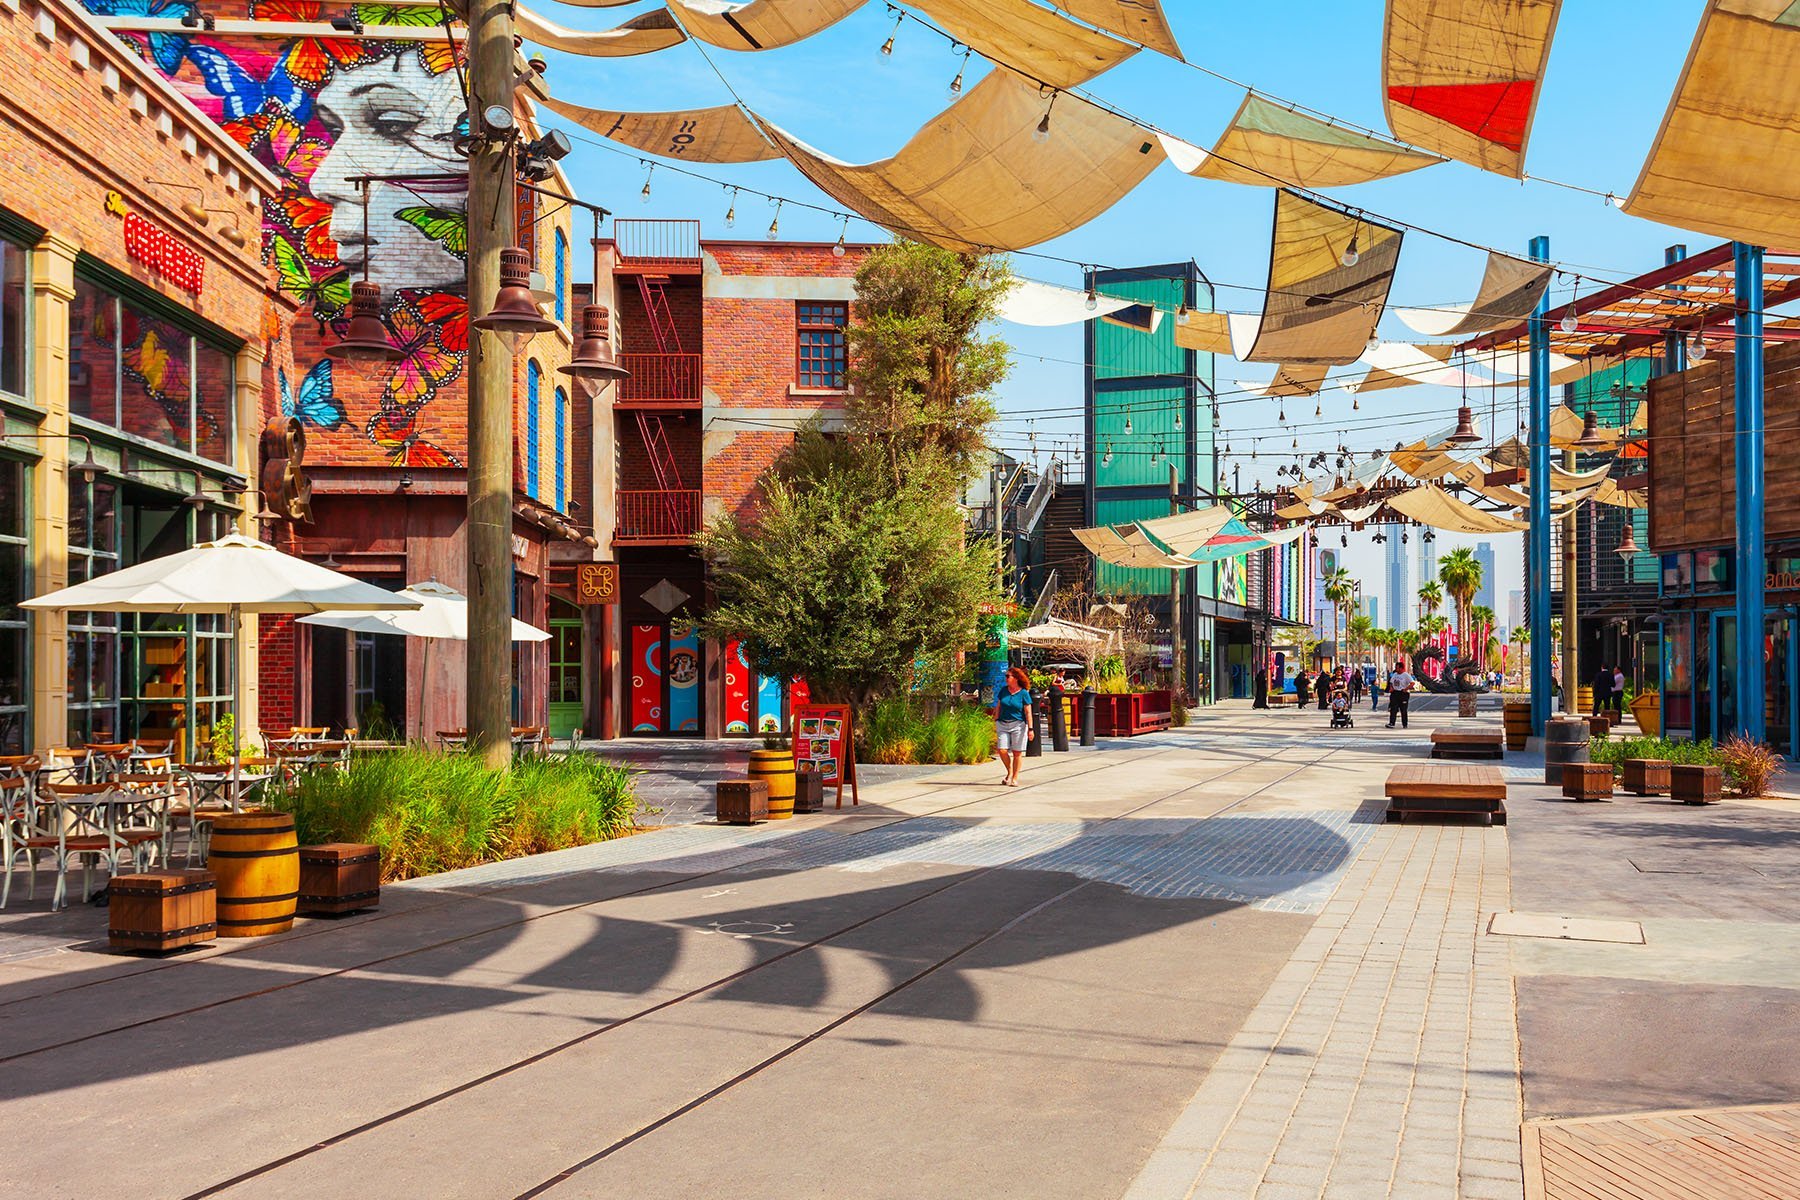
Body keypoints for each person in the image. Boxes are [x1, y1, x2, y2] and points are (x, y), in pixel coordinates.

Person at [991, 666, 1035, 787]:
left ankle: (1015, 777)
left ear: (1016, 678)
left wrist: (1030, 729)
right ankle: (1009, 772)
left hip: (1018, 724)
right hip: (1002, 723)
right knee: (1002, 750)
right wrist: (995, 719)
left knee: (1017, 752)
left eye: (1008, 676)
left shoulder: (1023, 693)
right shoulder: (1004, 690)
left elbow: (1028, 712)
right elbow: (999, 706)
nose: (1006, 678)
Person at [1388, 657, 1414, 728]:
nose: (1396, 669)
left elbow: (1412, 683)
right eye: (1396, 668)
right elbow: (1391, 682)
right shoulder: (1395, 674)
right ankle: (1391, 723)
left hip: (1403, 694)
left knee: (1403, 710)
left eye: (1397, 668)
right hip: (1395, 693)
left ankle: (1404, 724)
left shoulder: (1406, 675)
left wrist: (1406, 689)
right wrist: (1391, 688)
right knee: (1393, 709)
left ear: (1401, 668)